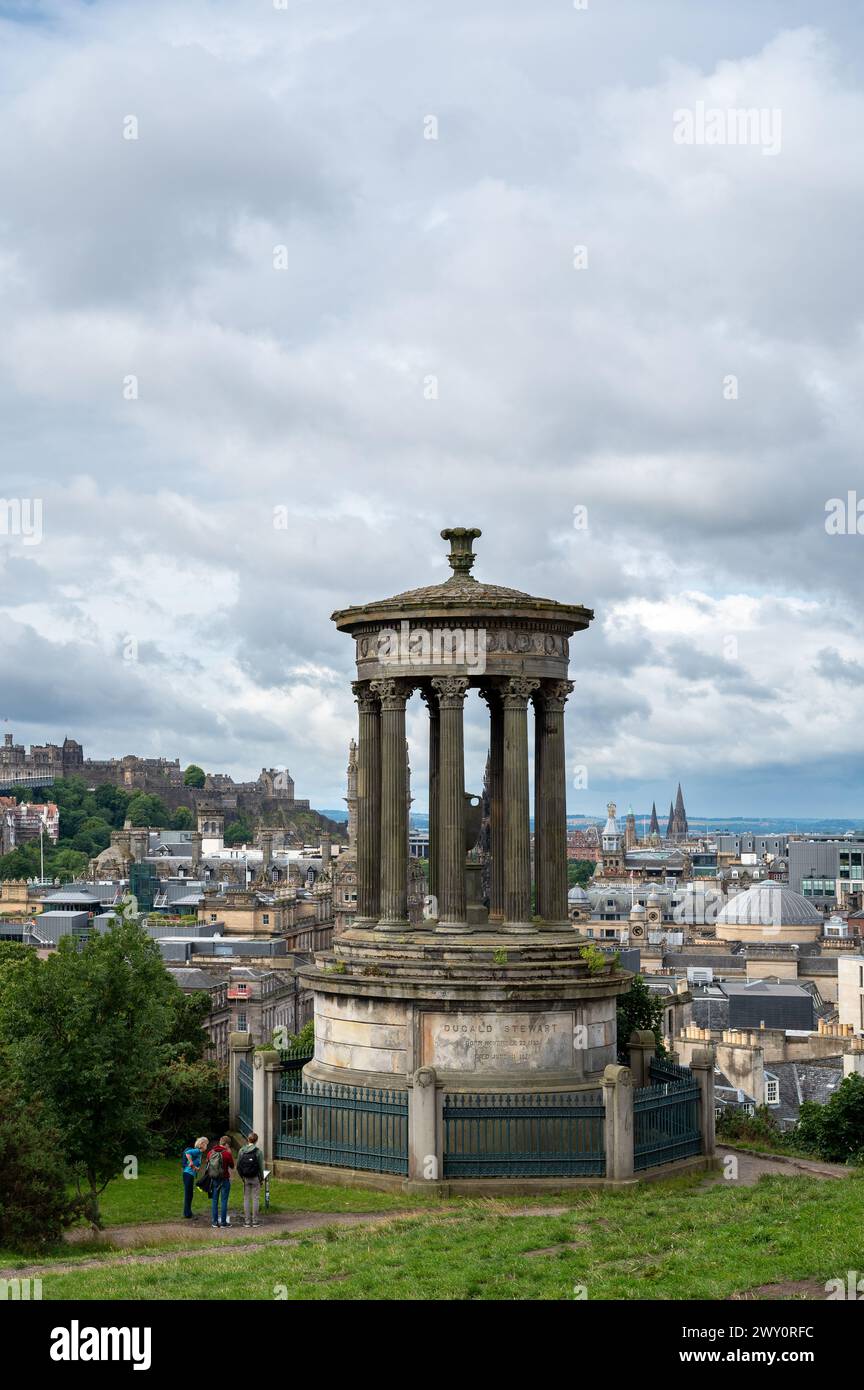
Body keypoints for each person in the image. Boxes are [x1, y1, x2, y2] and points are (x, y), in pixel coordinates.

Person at [205, 1136, 235, 1230]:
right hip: (224, 1179)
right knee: (224, 1201)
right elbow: (232, 1166)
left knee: (214, 1200)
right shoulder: (227, 1153)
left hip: (214, 1179)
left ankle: (214, 1222)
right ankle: (223, 1223)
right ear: (226, 1144)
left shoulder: (210, 1152)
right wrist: (230, 1153)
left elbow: (207, 1163)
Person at [236, 1131, 265, 1228]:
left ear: (248, 1139)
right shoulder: (258, 1152)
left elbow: (238, 1166)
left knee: (246, 1199)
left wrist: (242, 1177)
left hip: (246, 1178)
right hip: (255, 1177)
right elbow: (261, 1167)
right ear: (256, 1141)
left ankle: (247, 1222)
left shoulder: (241, 1151)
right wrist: (261, 1179)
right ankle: (255, 1221)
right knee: (255, 1198)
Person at [182, 1137, 208, 1219]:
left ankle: (188, 1212)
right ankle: (187, 1213)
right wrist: (191, 1163)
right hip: (188, 1174)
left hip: (190, 1174)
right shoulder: (197, 1151)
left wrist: (196, 1168)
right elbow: (187, 1153)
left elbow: (195, 1165)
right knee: (188, 1194)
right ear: (202, 1144)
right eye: (206, 1144)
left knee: (190, 1194)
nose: (207, 1146)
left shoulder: (199, 1153)